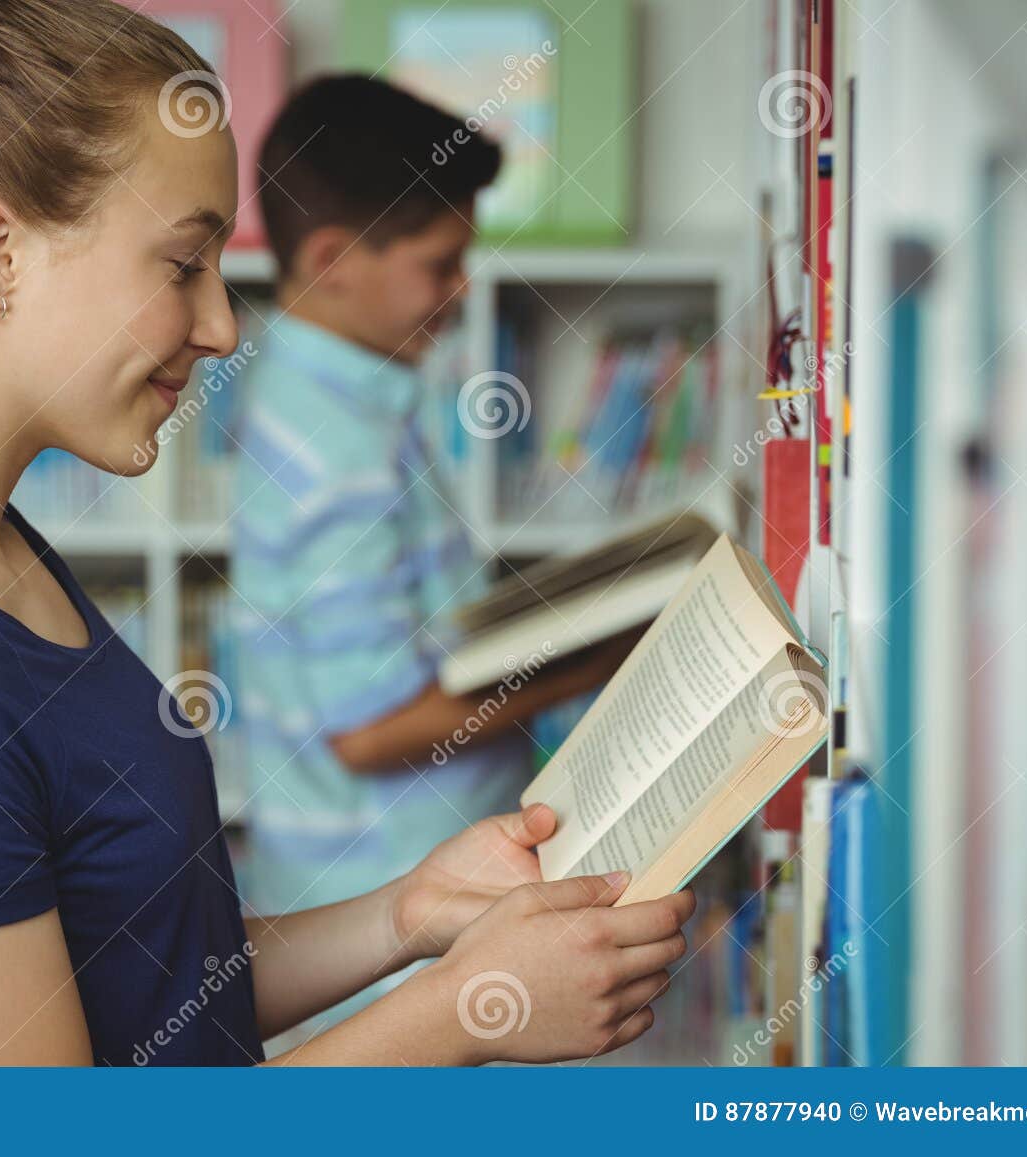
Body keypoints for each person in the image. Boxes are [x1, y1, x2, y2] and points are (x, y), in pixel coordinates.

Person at [0, 0, 693, 1067]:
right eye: (183, 264)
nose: (226, 326)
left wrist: (407, 915)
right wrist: (461, 1010)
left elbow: (146, 979)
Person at [230, 77, 641, 984]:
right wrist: (594, 656)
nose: (461, 290)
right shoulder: (332, 450)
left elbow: (402, 635)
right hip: (396, 919)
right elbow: (370, 730)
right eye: (439, 262)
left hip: (418, 887)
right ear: (334, 258)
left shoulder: (355, 399)